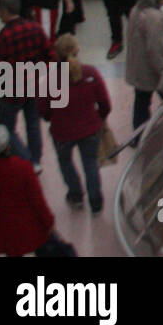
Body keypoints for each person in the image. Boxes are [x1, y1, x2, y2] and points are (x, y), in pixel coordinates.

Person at [43, 35, 110, 214]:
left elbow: (43, 109)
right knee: (90, 163)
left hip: (62, 131)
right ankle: (96, 203)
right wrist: (98, 119)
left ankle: (76, 195)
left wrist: (53, 119)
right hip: (90, 129)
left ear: (56, 55)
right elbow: (105, 103)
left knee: (65, 161)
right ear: (77, 50)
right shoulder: (91, 73)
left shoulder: (50, 79)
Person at [0, 125, 61, 257]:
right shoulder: (23, 167)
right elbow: (37, 200)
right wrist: (48, 221)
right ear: (7, 146)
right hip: (31, 226)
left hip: (5, 229)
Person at [0, 0, 52, 169]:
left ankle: (26, 160)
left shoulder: (1, 38)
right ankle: (36, 160)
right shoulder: (36, 29)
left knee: (7, 128)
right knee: (33, 124)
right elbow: (50, 57)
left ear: (4, 11)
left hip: (11, 92)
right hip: (33, 88)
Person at [124, 0, 163, 135]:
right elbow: (156, 50)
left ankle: (137, 135)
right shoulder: (155, 18)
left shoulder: (136, 11)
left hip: (138, 67)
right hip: (152, 71)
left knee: (141, 103)